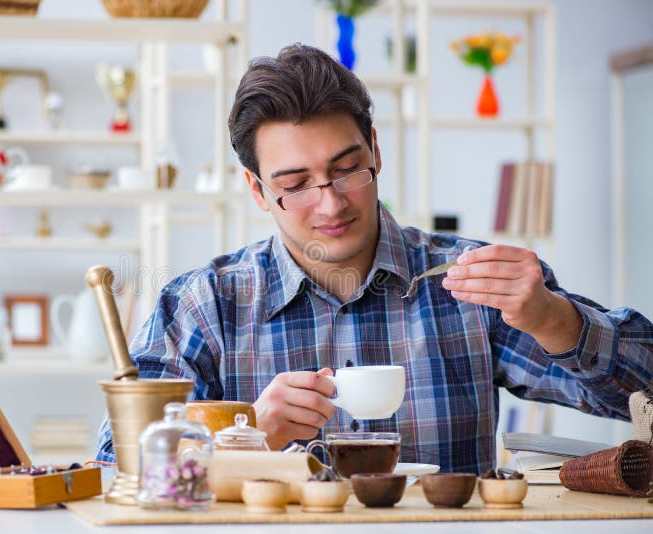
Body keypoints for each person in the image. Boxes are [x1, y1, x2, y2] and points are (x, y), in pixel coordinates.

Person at [96, 44, 653, 473]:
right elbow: (113, 469)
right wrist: (245, 437)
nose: (331, 203)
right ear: (258, 191)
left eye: (347, 169)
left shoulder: (467, 281)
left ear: (376, 151)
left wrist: (556, 319)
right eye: (296, 184)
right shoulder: (204, 305)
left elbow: (641, 397)